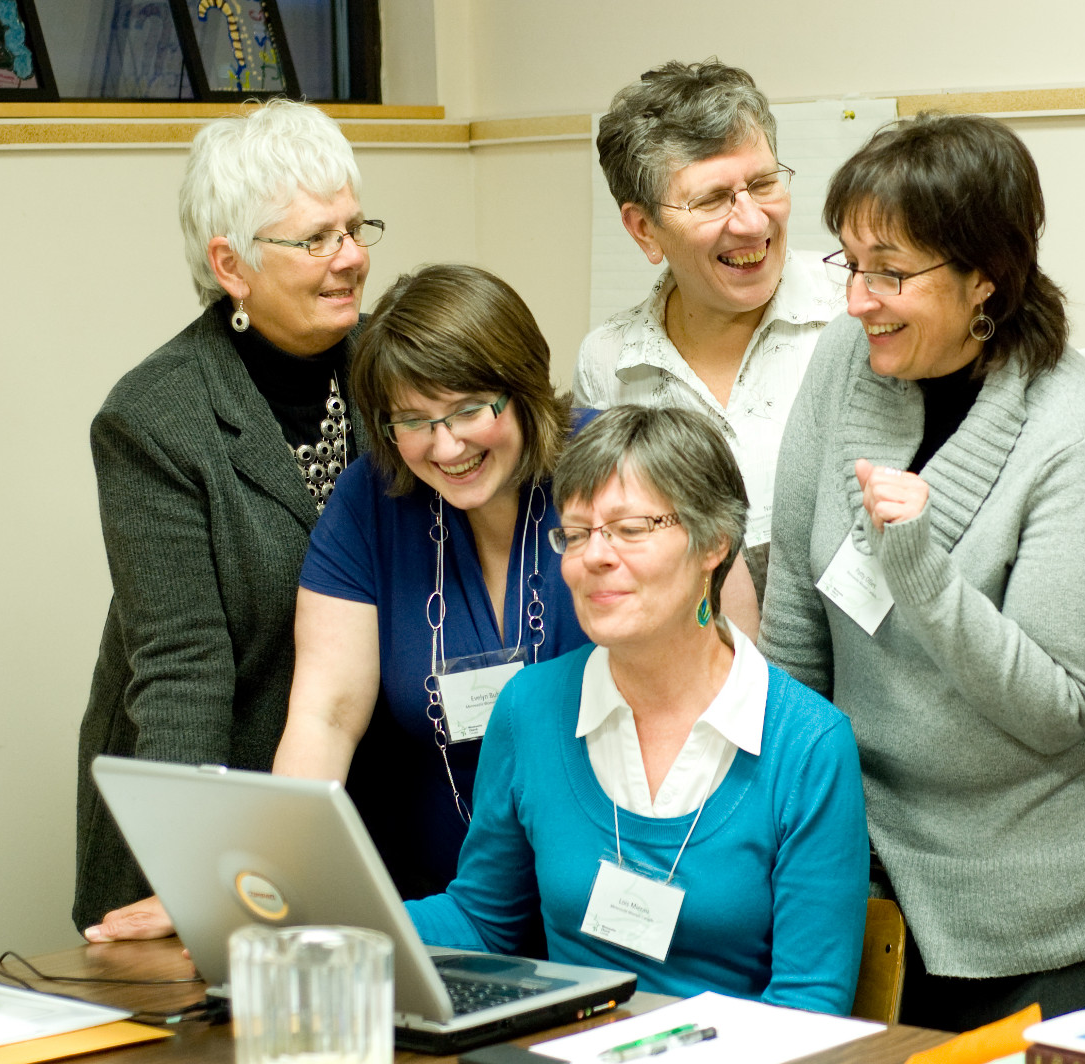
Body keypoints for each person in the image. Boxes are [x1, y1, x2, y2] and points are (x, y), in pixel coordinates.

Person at [760, 113, 1085, 1030]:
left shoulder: (1080, 435)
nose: (859, 300)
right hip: (857, 876)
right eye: (849, 264)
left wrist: (923, 572)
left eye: (891, 273)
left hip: (1037, 911)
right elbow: (791, 621)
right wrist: (787, 831)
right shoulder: (840, 363)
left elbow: (1059, 706)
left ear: (987, 279)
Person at [406, 405, 869, 1014]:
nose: (593, 556)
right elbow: (484, 919)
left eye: (629, 529)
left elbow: (809, 1004)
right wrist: (346, 921)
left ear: (714, 543)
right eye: (576, 533)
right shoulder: (531, 707)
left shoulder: (806, 744)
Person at [76, 98, 380, 936]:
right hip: (215, 791)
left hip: (359, 793)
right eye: (315, 239)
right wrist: (192, 871)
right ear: (232, 264)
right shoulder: (155, 419)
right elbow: (181, 670)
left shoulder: (395, 371)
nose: (350, 258)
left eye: (355, 229)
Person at [274, 264, 593, 900]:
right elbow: (324, 719)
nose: (446, 448)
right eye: (413, 421)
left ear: (523, 387)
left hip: (602, 892)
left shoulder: (614, 469)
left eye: (469, 409)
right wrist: (275, 878)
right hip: (440, 899)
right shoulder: (370, 501)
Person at [575, 59, 846, 635]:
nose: (751, 222)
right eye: (712, 199)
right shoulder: (611, 364)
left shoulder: (856, 313)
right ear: (643, 228)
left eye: (764, 184)